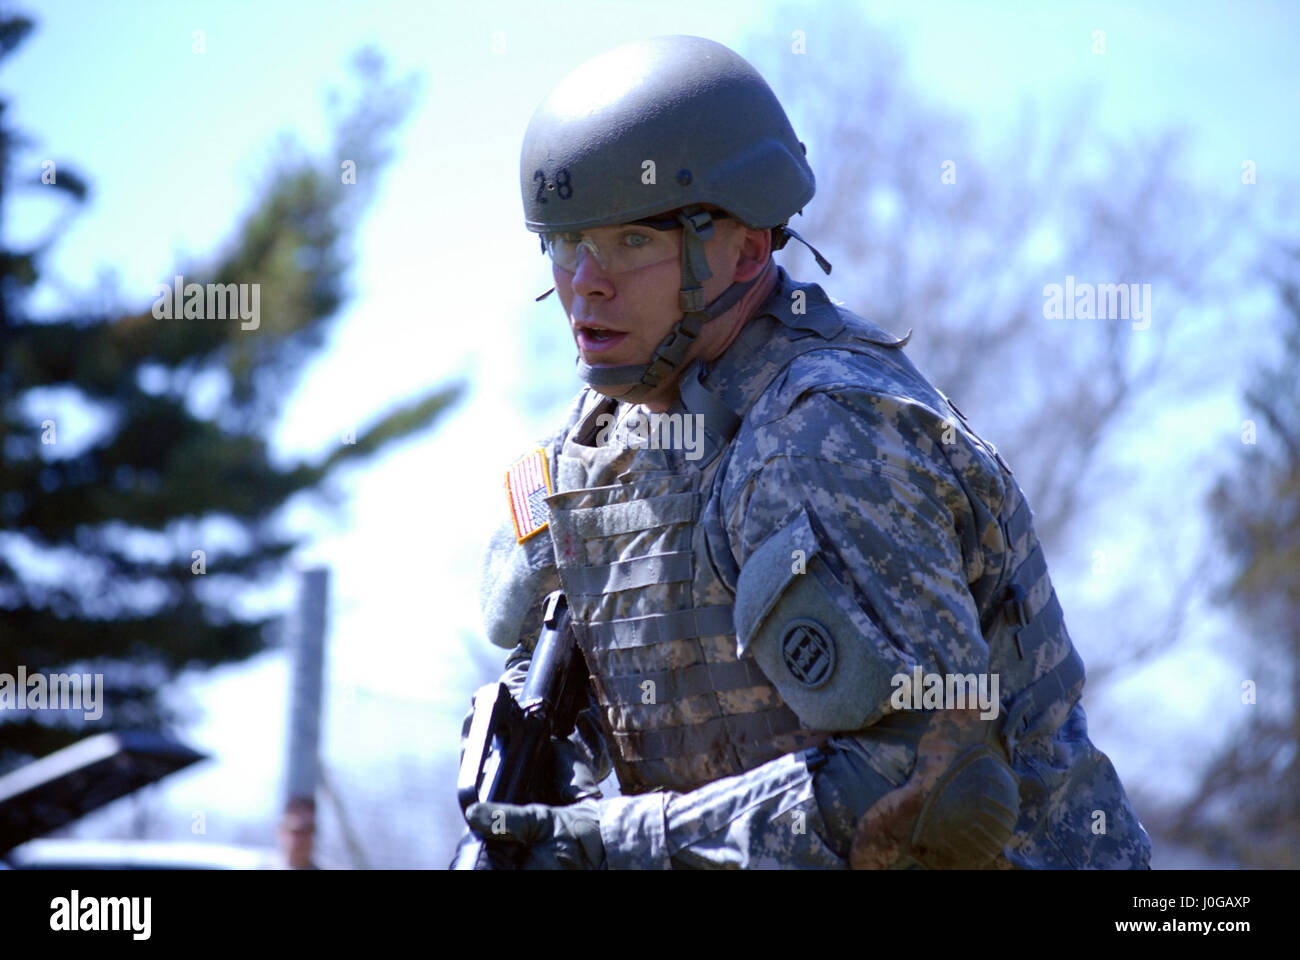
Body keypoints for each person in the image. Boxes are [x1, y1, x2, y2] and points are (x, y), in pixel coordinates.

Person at [452, 34, 1152, 869]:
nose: (585, 284)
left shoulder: (830, 434)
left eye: (632, 241)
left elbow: (933, 790)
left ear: (746, 248)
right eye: (565, 245)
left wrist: (615, 847)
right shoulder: (586, 454)